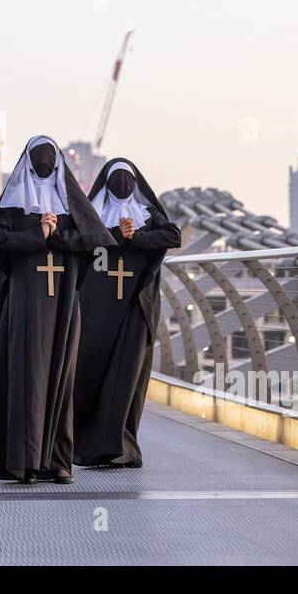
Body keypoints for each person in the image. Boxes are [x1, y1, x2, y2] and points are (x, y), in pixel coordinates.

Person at [0, 136, 114, 484]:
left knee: (61, 375)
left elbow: (95, 240)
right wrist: (38, 235)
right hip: (25, 301)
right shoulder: (14, 201)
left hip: (63, 302)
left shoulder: (70, 202)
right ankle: (23, 461)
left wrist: (55, 238)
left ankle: (58, 460)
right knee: (27, 374)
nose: (43, 164)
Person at [73, 159, 180, 468]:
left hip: (135, 306)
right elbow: (81, 245)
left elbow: (174, 236)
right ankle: (89, 446)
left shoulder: (148, 215)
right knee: (92, 372)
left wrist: (138, 238)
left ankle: (123, 447)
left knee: (127, 377)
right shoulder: (91, 214)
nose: (122, 187)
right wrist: (119, 237)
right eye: (116, 181)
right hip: (97, 309)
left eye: (127, 181)